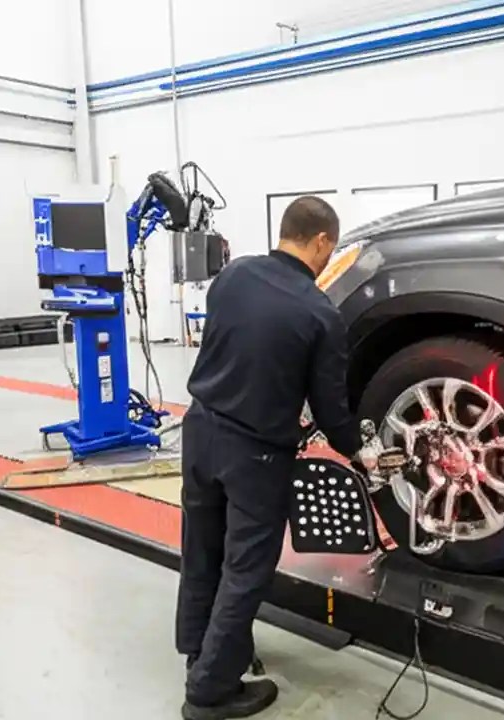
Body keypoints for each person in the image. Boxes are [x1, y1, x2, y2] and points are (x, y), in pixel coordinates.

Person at [176, 196, 370, 719]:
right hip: (255, 455)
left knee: (202, 551)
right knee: (246, 570)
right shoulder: (319, 313)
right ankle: (209, 692)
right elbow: (331, 410)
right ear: (323, 242)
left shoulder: (232, 276)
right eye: (330, 250)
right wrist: (363, 453)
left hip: (198, 431)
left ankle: (200, 653)